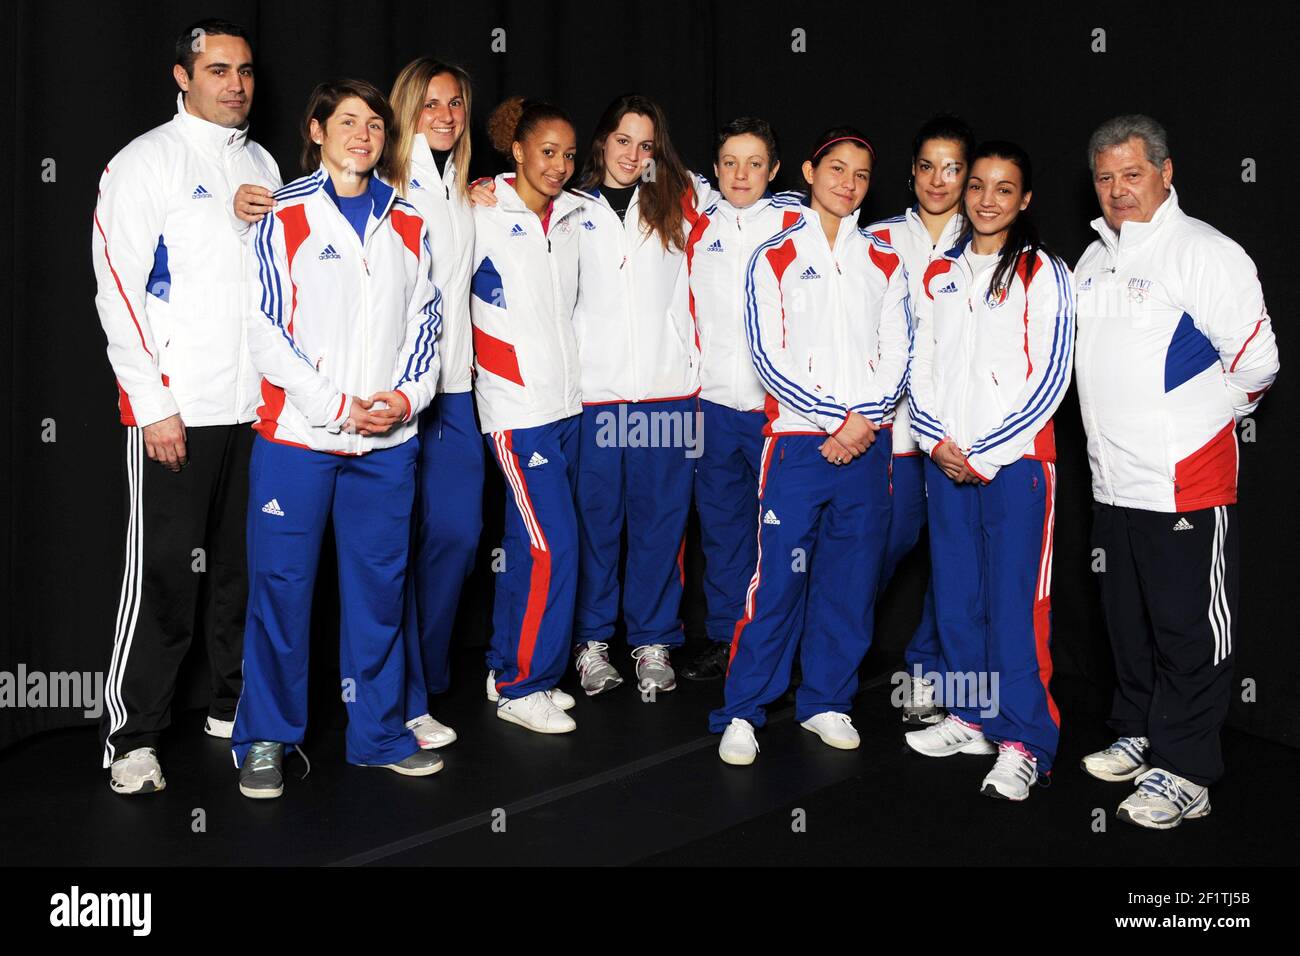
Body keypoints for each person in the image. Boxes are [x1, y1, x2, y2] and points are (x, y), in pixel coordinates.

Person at [232, 79, 443, 798]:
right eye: (347, 122)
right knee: (283, 591)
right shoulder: (283, 213)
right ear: (317, 130)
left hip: (387, 445)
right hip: (298, 439)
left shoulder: (409, 220)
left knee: (380, 596)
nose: (363, 134)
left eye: (375, 125)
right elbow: (263, 326)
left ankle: (378, 734)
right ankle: (265, 738)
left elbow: (427, 325)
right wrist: (335, 405)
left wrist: (401, 399)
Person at [91, 18, 281, 795]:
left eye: (244, 71)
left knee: (243, 570)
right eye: (217, 70)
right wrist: (152, 403)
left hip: (254, 410)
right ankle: (132, 738)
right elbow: (118, 289)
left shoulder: (264, 160)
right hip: (179, 409)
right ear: (183, 76)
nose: (235, 84)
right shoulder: (144, 162)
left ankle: (232, 708)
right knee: (167, 575)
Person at [1073, 115, 1278, 828]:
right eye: (1104, 178)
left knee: (1191, 631)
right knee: (1127, 624)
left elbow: (1257, 362)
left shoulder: (1205, 253)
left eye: (1132, 174)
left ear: (1165, 172)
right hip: (1111, 483)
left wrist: (1191, 427)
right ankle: (1141, 731)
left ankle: (1188, 769)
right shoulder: (1094, 260)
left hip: (1185, 481)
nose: (1118, 190)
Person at [711, 127, 911, 765]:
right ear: (809, 170)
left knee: (849, 580)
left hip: (868, 447)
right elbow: (767, 356)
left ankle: (826, 700)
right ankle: (744, 709)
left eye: (858, 175)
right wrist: (834, 420)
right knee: (775, 582)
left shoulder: (883, 257)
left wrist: (864, 420)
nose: (847, 183)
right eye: (835, 169)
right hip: (798, 444)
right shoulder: (771, 255)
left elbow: (898, 355)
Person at [903, 140, 1075, 801]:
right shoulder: (940, 271)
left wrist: (986, 451)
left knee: (1014, 610)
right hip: (946, 463)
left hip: (1017, 467)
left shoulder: (1044, 271)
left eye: (1004, 189)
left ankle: (1025, 741)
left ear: (1024, 199)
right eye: (977, 185)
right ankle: (971, 715)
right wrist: (938, 441)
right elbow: (922, 364)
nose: (986, 199)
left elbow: (1051, 375)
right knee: (957, 601)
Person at [472, 97, 586, 733]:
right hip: (515, 409)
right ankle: (525, 686)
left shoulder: (574, 214)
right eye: (547, 151)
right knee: (553, 548)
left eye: (569, 155)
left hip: (565, 405)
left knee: (524, 546)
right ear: (517, 149)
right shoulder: (479, 209)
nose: (559, 166)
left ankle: (502, 664)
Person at [678, 117, 803, 682]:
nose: (742, 174)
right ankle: (727, 637)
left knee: (780, 529)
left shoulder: (799, 222)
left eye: (755, 163)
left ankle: (778, 639)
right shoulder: (696, 223)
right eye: (730, 162)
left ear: (774, 170)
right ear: (716, 168)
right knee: (724, 527)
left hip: (781, 412)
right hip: (714, 407)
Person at [865, 114, 975, 725]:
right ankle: (830, 650)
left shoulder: (988, 239)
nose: (939, 180)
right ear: (911, 172)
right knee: (885, 544)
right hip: (897, 434)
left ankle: (928, 679)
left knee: (954, 562)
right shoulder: (877, 238)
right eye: (928, 166)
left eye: (954, 168)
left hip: (964, 436)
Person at [387, 58, 483, 751]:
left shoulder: (461, 189)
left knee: (455, 537)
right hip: (398, 397)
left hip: (456, 392)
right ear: (407, 108)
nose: (447, 116)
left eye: (456, 104)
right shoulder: (387, 181)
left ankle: (421, 677)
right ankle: (401, 697)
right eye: (432, 104)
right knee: (390, 549)